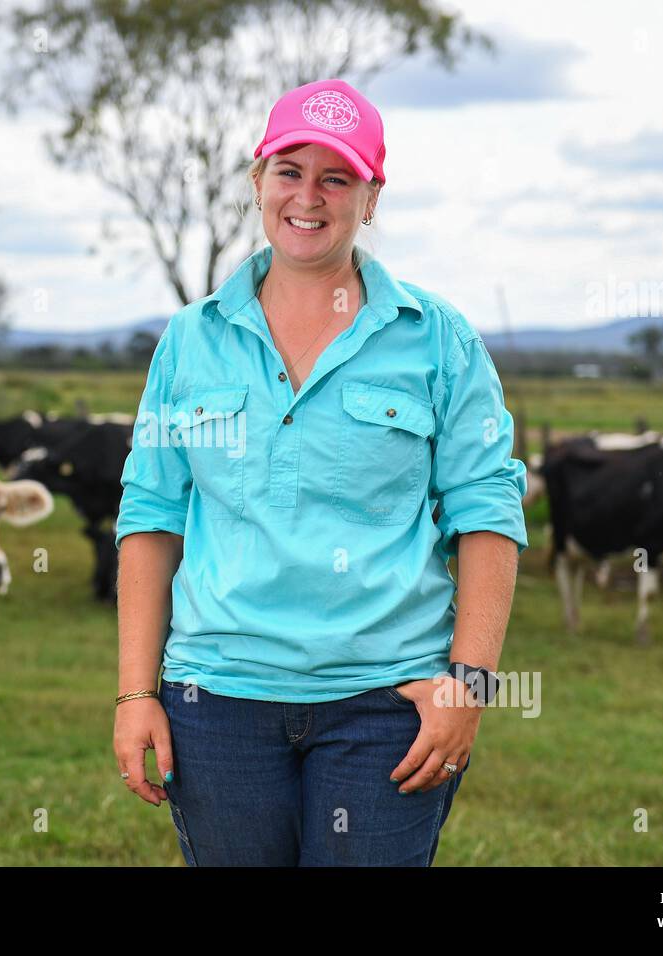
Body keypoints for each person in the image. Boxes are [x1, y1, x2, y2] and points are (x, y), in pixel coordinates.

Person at [112, 78, 528, 866]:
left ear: (371, 198)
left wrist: (468, 684)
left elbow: (487, 512)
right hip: (215, 699)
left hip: (387, 706)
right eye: (289, 171)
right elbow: (151, 519)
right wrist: (138, 694)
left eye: (337, 177)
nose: (309, 196)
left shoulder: (438, 339)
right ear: (257, 181)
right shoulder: (191, 340)